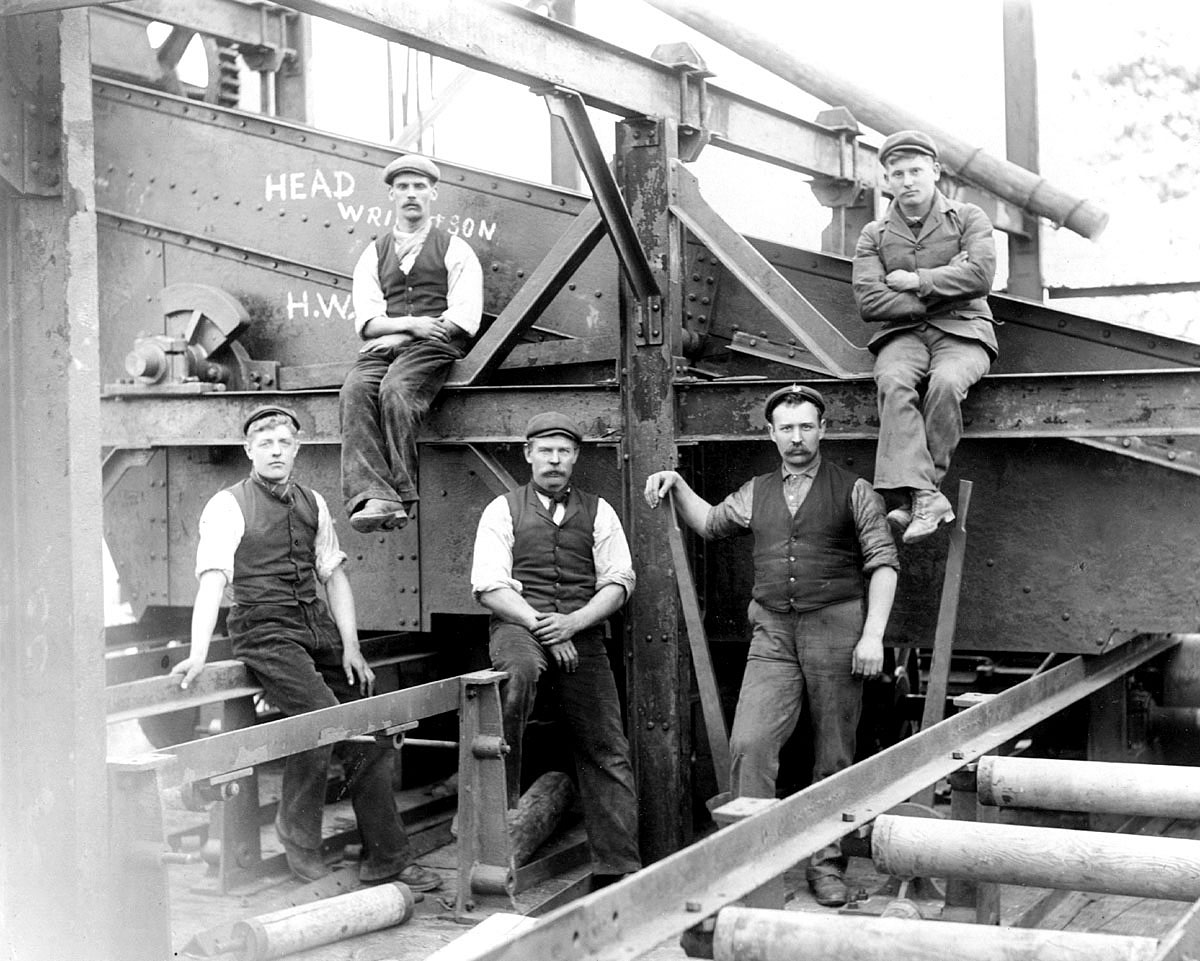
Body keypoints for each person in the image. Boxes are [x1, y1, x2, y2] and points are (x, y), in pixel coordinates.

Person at [644, 385, 898, 907]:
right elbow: (711, 523)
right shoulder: (755, 490)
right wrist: (677, 483)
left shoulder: (855, 490)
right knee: (750, 744)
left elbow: (883, 563)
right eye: (787, 428)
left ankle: (826, 865)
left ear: (823, 430)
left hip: (836, 627)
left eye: (807, 426)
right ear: (772, 434)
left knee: (833, 754)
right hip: (773, 633)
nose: (797, 437)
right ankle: (751, 865)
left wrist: (872, 634)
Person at [170, 404, 440, 891]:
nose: (276, 450)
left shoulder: (312, 501)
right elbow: (212, 581)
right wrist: (197, 651)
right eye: (265, 442)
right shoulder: (228, 505)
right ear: (248, 450)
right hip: (263, 627)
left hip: (314, 625)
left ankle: (387, 858)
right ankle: (300, 842)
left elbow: (334, 576)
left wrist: (352, 648)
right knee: (319, 721)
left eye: (284, 442)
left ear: (297, 449)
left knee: (372, 723)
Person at [470, 412, 641, 884]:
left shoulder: (599, 510)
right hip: (518, 626)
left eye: (563, 451)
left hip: (580, 631)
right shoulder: (502, 510)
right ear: (528, 454)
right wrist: (547, 627)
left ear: (576, 458)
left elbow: (619, 581)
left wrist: (574, 624)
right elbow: (488, 587)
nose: (554, 460)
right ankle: (502, 800)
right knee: (520, 672)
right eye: (545, 450)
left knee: (606, 745)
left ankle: (618, 867)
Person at [852, 129, 997, 543]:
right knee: (893, 380)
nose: (907, 181)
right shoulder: (874, 234)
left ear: (935, 171)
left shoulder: (969, 217)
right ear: (887, 180)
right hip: (904, 334)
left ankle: (919, 497)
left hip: (964, 331)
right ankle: (928, 498)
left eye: (916, 171)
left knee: (947, 382)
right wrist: (941, 288)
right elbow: (869, 302)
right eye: (897, 174)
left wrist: (913, 280)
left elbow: (981, 276)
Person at [340, 153, 483, 533]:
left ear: (432, 193)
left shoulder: (456, 249)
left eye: (419, 187)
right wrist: (409, 326)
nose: (411, 195)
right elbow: (367, 321)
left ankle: (400, 494)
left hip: (435, 346)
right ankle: (372, 493)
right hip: (386, 346)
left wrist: (405, 333)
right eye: (402, 188)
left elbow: (463, 318)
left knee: (396, 389)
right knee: (355, 389)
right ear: (391, 196)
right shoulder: (374, 252)